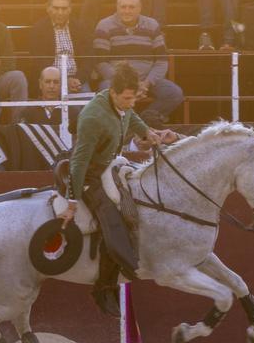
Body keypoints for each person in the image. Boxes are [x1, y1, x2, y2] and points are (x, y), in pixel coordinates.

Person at [59, 64, 174, 317]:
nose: (132, 103)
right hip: (89, 174)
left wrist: (149, 133)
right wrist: (72, 199)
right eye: (127, 98)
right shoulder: (92, 117)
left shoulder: (121, 105)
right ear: (112, 92)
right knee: (113, 221)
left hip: (109, 165)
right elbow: (78, 161)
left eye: (134, 98)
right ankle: (103, 287)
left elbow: (131, 117)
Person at [92, 0, 184, 120]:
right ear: (117, 7)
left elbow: (161, 61)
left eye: (131, 7)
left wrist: (146, 84)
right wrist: (126, 84)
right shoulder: (104, 25)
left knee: (174, 93)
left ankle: (144, 122)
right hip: (118, 79)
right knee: (105, 92)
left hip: (147, 80)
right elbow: (101, 63)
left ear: (140, 8)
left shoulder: (152, 25)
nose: (127, 11)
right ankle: (122, 124)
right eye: (123, 7)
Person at [27, 0, 94, 87]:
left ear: (70, 9)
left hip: (77, 80)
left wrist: (78, 79)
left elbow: (88, 59)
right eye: (56, 8)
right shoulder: (38, 29)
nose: (60, 12)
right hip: (50, 82)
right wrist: (61, 81)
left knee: (86, 101)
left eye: (64, 8)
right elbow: (39, 61)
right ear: (48, 8)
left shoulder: (80, 28)